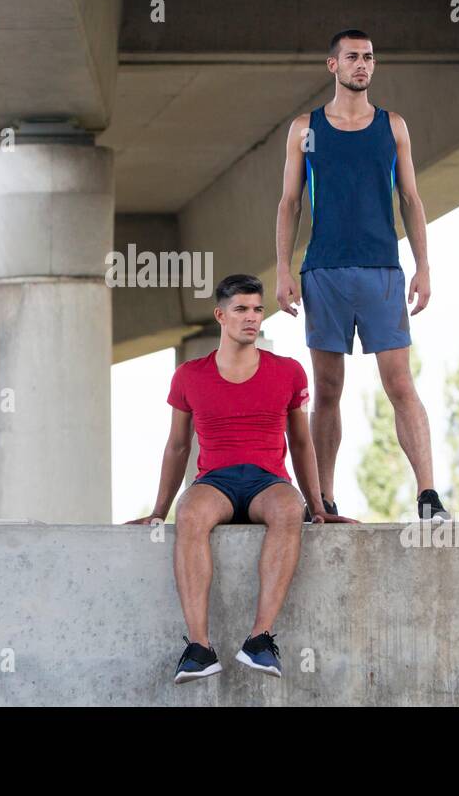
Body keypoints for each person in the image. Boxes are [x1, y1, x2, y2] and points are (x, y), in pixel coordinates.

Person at [127, 274, 356, 685]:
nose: (251, 318)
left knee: (289, 509)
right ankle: (199, 648)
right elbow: (178, 447)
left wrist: (318, 505)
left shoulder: (288, 372)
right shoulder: (189, 376)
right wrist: (158, 511)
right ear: (221, 315)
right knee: (190, 512)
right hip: (216, 481)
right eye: (241, 310)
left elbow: (302, 445)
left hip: (268, 482)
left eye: (257, 310)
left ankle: (260, 639)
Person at [275, 28, 451, 524]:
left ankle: (429, 496)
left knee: (400, 383)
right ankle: (323, 500)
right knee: (326, 389)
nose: (362, 65)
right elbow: (289, 203)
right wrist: (284, 269)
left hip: (382, 272)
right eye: (352, 57)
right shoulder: (303, 129)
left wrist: (424, 266)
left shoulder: (393, 126)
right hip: (323, 271)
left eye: (369, 58)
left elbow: (411, 200)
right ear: (333, 65)